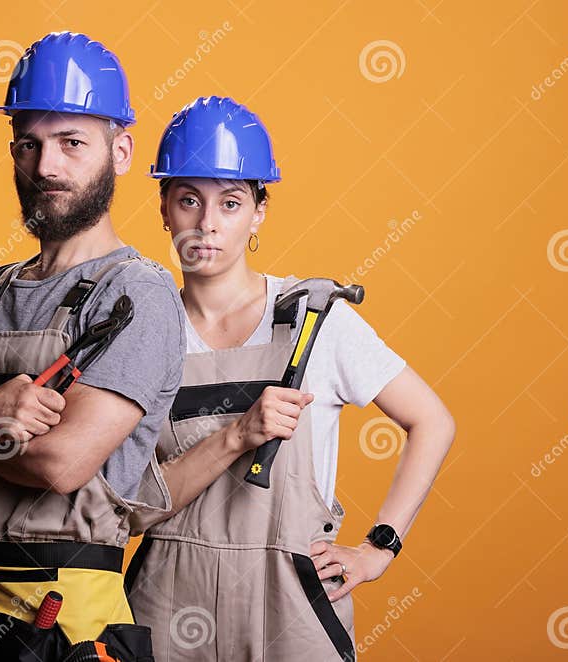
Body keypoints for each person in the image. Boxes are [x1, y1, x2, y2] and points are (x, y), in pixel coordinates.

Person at [0, 32, 183, 661]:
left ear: (120, 151)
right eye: (30, 144)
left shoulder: (136, 294)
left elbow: (61, 465)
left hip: (70, 616)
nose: (47, 166)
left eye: (73, 143)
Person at [123, 96, 456, 661]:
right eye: (188, 201)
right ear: (163, 209)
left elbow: (432, 421)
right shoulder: (143, 332)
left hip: (292, 602)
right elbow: (119, 500)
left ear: (258, 213)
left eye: (230, 203)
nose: (207, 223)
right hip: (165, 603)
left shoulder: (317, 321)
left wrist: (380, 548)